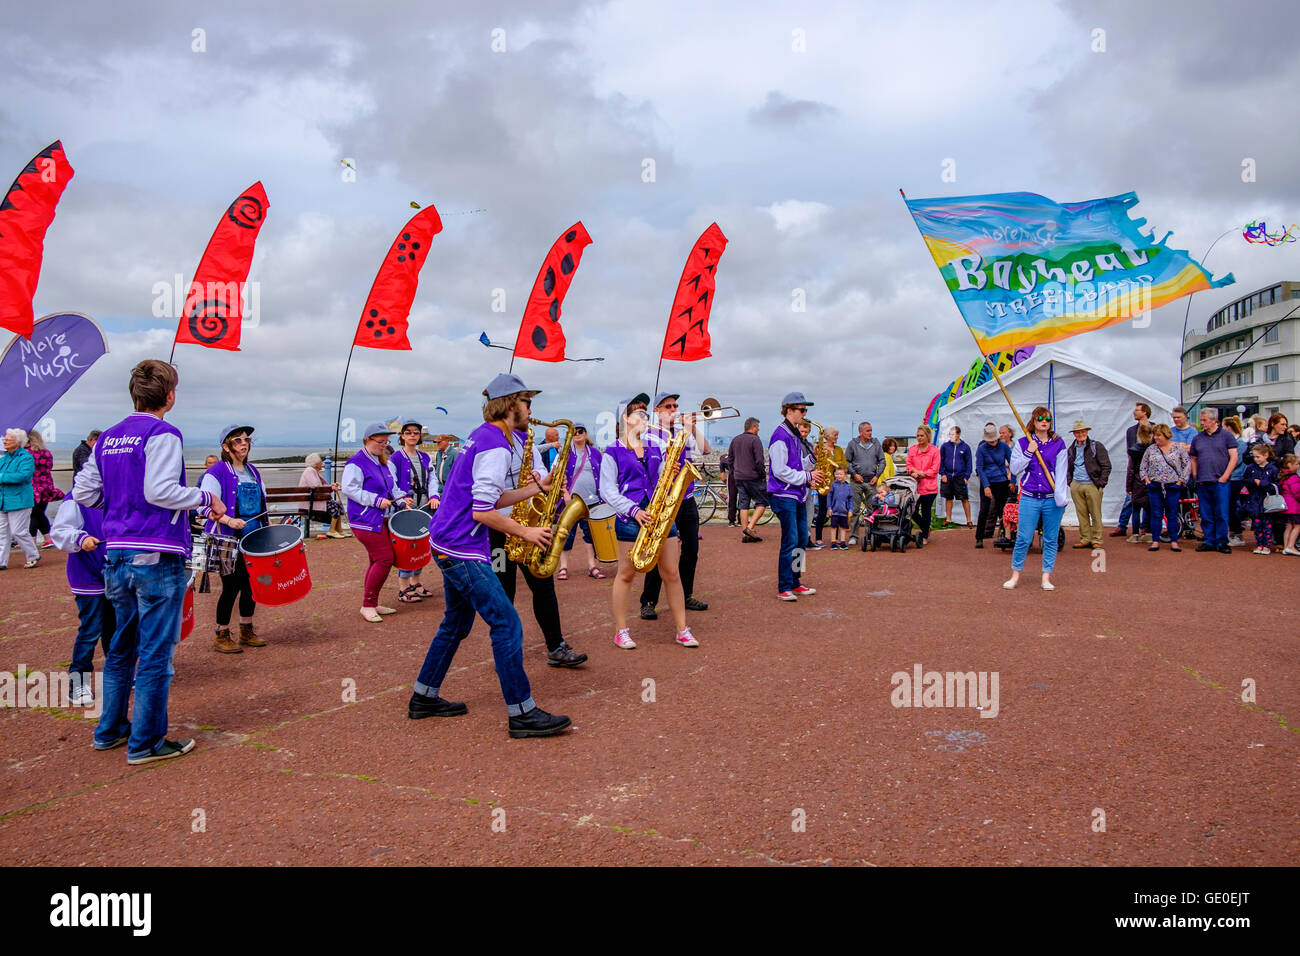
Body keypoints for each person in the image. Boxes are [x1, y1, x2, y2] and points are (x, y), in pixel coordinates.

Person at [73, 358, 224, 764]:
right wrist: (206, 498)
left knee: (121, 648)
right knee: (156, 653)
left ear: (134, 394)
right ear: (170, 396)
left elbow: (84, 493)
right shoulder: (164, 432)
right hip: (157, 553)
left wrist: (119, 502)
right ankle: (147, 742)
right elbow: (160, 490)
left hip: (117, 552)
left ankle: (110, 730)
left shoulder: (107, 438)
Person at [411, 372, 571, 737]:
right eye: (527, 401)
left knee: (455, 625)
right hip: (462, 548)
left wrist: (534, 488)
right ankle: (521, 713)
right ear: (510, 404)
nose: (532, 409)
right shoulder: (497, 444)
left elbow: (489, 499)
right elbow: (482, 512)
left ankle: (424, 697)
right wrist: (527, 531)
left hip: (448, 542)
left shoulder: (483, 436)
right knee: (507, 623)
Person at [489, 418, 588, 668]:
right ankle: (505, 649)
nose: (528, 412)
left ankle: (556, 646)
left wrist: (540, 476)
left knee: (543, 585)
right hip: (498, 528)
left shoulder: (527, 441)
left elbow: (541, 470)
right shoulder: (490, 443)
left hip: (530, 524)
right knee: (503, 590)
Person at [601, 393, 696, 648]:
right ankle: (621, 630)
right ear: (625, 420)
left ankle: (682, 629)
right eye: (638, 414)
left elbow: (664, 478)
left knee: (672, 573)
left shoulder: (656, 448)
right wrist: (633, 510)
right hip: (632, 516)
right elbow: (607, 490)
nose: (645, 417)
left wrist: (672, 471)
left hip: (660, 515)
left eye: (645, 413)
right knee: (626, 574)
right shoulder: (612, 451)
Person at [200, 425, 270, 654]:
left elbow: (263, 504)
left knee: (252, 584)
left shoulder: (253, 471)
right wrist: (230, 521)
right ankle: (221, 634)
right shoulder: (216, 472)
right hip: (227, 538)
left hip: (254, 536)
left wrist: (268, 528)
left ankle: (246, 629)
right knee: (231, 586)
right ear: (226, 446)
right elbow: (204, 506)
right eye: (237, 440)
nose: (244, 443)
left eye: (246, 439)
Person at [641, 391, 710, 617]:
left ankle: (685, 594)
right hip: (664, 500)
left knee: (691, 549)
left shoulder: (683, 432)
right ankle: (648, 601)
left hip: (686, 498)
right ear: (657, 411)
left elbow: (706, 450)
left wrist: (692, 427)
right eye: (668, 406)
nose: (673, 409)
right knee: (658, 550)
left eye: (675, 405)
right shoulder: (649, 435)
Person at [343, 422, 413, 622]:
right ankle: (368, 605)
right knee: (385, 558)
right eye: (380, 442)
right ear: (367, 440)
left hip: (382, 518)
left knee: (376, 560)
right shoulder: (355, 463)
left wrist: (401, 500)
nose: (383, 445)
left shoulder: (383, 462)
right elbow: (349, 489)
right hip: (363, 520)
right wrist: (374, 500)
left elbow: (393, 488)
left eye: (386, 442)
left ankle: (371, 603)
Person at [50, 495, 113, 706]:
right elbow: (59, 531)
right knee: (90, 630)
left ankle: (116, 674)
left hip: (115, 572)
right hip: (87, 576)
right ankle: (77, 683)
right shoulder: (76, 498)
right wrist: (80, 538)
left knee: (115, 628)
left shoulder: (117, 488)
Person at [768, 392, 826, 602]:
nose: (804, 414)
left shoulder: (793, 435)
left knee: (802, 538)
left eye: (805, 410)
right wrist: (808, 476)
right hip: (784, 494)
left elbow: (797, 465)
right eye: (802, 410)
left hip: (797, 494)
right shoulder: (780, 436)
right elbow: (780, 470)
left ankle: (795, 580)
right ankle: (784, 585)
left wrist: (812, 459)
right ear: (789, 410)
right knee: (791, 539)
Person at [1003, 406, 1068, 590]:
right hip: (1030, 497)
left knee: (1050, 538)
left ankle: (1046, 577)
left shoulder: (1058, 443)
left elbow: (1062, 472)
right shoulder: (1024, 443)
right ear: (1034, 421)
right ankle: (1015, 575)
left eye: (1047, 419)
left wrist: (1061, 497)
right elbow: (1014, 469)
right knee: (1023, 537)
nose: (1044, 422)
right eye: (1040, 418)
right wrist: (1029, 452)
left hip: (1051, 498)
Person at [392, 417, 438, 604]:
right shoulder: (396, 457)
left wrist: (434, 496)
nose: (412, 435)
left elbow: (432, 479)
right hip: (406, 509)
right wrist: (402, 499)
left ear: (420, 436)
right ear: (402, 435)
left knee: (422, 544)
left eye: (416, 432)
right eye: (408, 432)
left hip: (425, 506)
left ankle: (416, 581)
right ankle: (403, 587)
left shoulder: (425, 457)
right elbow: (391, 482)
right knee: (406, 547)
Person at [558, 422, 606, 581]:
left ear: (586, 434)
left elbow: (602, 474)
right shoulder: (566, 454)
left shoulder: (595, 453)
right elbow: (559, 477)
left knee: (590, 535)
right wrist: (564, 493)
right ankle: (563, 567)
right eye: (574, 432)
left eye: (580, 431)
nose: (577, 434)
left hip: (592, 500)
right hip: (571, 502)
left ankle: (592, 566)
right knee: (566, 534)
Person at [1189, 407, 1238, 554]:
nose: (1202, 423)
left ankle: (1222, 541)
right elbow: (1194, 459)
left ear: (1214, 420)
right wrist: (1195, 476)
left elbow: (1234, 457)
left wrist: (1225, 476)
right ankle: (1209, 540)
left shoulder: (1226, 436)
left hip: (1220, 481)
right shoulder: (1198, 438)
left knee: (1221, 513)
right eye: (1201, 420)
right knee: (1206, 513)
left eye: (1204, 420)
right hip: (1203, 481)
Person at [1139, 423, 1190, 552]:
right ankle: (1155, 540)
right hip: (1155, 485)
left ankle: (1174, 541)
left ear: (1166, 435)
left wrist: (1181, 481)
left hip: (1172, 485)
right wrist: (1146, 479)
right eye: (1155, 435)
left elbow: (1187, 465)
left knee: (1172, 513)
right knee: (1156, 514)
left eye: (1158, 435)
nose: (1156, 438)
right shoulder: (1151, 449)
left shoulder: (1178, 448)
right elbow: (1143, 465)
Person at [1066, 419, 1111, 549]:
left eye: (1083, 431)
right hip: (1077, 484)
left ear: (1087, 432)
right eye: (1078, 432)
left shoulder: (1096, 446)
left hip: (1092, 484)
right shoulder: (1071, 448)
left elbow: (1106, 465)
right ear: (1074, 434)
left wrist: (1101, 483)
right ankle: (1085, 538)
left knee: (1095, 513)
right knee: (1081, 513)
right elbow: (1068, 466)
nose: (1081, 434)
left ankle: (1097, 539)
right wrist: (1071, 482)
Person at [1, 428, 40, 570]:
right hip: (3, 500)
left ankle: (33, 555)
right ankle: (1, 561)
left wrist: (1, 477)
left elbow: (23, 476)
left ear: (18, 442)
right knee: (2, 532)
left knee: (19, 531)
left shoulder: (26, 457)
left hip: (20, 500)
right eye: (5, 439)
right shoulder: (4, 458)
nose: (4, 441)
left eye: (8, 439)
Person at [845, 423, 884, 548]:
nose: (870, 433)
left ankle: (871, 534)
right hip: (856, 482)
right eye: (867, 431)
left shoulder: (876, 443)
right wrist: (854, 474)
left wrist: (877, 475)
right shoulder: (852, 444)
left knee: (871, 510)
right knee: (855, 510)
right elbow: (847, 461)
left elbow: (882, 460)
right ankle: (853, 536)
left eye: (871, 430)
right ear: (860, 432)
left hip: (871, 481)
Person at [974, 424, 1013, 550]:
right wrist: (986, 486)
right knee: (984, 509)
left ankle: (1005, 535)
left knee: (1003, 510)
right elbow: (980, 468)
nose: (993, 442)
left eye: (995, 439)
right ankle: (979, 537)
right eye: (990, 440)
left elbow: (1013, 462)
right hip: (988, 480)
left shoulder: (1004, 446)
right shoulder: (981, 449)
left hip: (1002, 481)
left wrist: (1012, 480)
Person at [730, 417, 768, 542]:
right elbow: (759, 460)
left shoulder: (735, 440)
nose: (759, 429)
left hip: (739, 477)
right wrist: (762, 474)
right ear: (754, 427)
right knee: (762, 502)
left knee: (743, 504)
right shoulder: (755, 440)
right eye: (758, 427)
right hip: (753, 477)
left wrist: (734, 472)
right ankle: (750, 528)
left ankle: (746, 534)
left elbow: (730, 459)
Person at [26, 430, 62, 549]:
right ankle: (48, 539)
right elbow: (49, 467)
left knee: (33, 515)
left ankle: (32, 541)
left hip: (32, 488)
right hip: (46, 487)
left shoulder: (26, 454)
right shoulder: (46, 453)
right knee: (39, 513)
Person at [812, 426, 847, 548]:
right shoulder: (821, 448)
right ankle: (818, 538)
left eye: (837, 435)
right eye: (834, 435)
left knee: (837, 511)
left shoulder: (838, 450)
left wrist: (838, 467)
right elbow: (818, 463)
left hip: (837, 484)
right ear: (827, 437)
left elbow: (844, 464)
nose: (836, 438)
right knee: (822, 511)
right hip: (825, 483)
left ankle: (836, 538)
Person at [905, 425, 940, 543]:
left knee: (926, 511)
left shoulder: (934, 450)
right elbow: (908, 464)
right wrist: (913, 471)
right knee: (912, 511)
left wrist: (922, 473)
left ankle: (925, 536)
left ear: (927, 436)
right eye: (918, 436)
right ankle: (925, 527)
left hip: (929, 487)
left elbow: (934, 469)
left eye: (922, 435)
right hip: (915, 487)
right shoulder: (912, 449)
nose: (919, 438)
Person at [1241, 444, 1278, 555]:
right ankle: (1259, 544)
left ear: (1266, 455)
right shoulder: (1251, 468)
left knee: (1267, 524)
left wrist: (1262, 483)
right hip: (1254, 499)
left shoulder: (1272, 468)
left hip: (1267, 500)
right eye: (1254, 457)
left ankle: (1266, 545)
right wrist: (1253, 482)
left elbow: (1275, 485)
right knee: (1257, 524)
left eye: (1258, 457)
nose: (1256, 459)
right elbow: (1246, 480)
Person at [300, 452, 348, 538]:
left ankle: (339, 530)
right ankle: (332, 530)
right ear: (316, 463)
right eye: (320, 461)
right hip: (310, 504)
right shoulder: (310, 471)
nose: (322, 463)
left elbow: (320, 486)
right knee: (334, 504)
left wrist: (330, 486)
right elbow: (316, 486)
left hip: (313, 501)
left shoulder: (313, 471)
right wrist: (330, 488)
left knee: (337, 504)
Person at [938, 426, 973, 528]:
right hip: (947, 476)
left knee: (964, 498)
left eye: (953, 434)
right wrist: (943, 474)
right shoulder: (945, 446)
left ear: (958, 434)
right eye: (950, 434)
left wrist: (966, 477)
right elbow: (941, 461)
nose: (951, 436)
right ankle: (948, 519)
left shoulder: (965, 447)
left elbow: (969, 463)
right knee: (948, 498)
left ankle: (969, 520)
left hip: (960, 477)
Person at [1222, 416, 1249, 546]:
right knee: (1227, 507)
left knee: (1232, 506)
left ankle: (1237, 534)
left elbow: (1236, 461)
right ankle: (1231, 533)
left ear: (1228, 428)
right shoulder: (1229, 442)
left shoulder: (1240, 443)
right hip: (1228, 476)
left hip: (1235, 478)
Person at [1127, 423, 1154, 544]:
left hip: (1137, 482)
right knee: (1149, 508)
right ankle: (1147, 532)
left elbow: (1131, 469)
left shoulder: (1134, 450)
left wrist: (1129, 485)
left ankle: (1135, 533)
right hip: (1150, 481)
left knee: (1136, 509)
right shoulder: (1154, 449)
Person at [1277, 453, 1300, 555]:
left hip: (1286, 506)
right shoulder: (1294, 477)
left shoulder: (1283, 476)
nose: (1298, 466)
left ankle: (1286, 546)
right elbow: (1297, 492)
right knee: (1297, 526)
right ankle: (1291, 546)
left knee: (1288, 526)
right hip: (1294, 507)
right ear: (1290, 464)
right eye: (1297, 464)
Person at [827, 466, 853, 550]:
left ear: (845, 476)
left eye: (841, 474)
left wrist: (850, 510)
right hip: (834, 510)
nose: (838, 476)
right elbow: (829, 497)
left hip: (844, 510)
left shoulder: (848, 486)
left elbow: (850, 499)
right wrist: (829, 508)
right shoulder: (833, 485)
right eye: (837, 474)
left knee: (843, 527)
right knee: (833, 526)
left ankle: (842, 542)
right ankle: (833, 542)